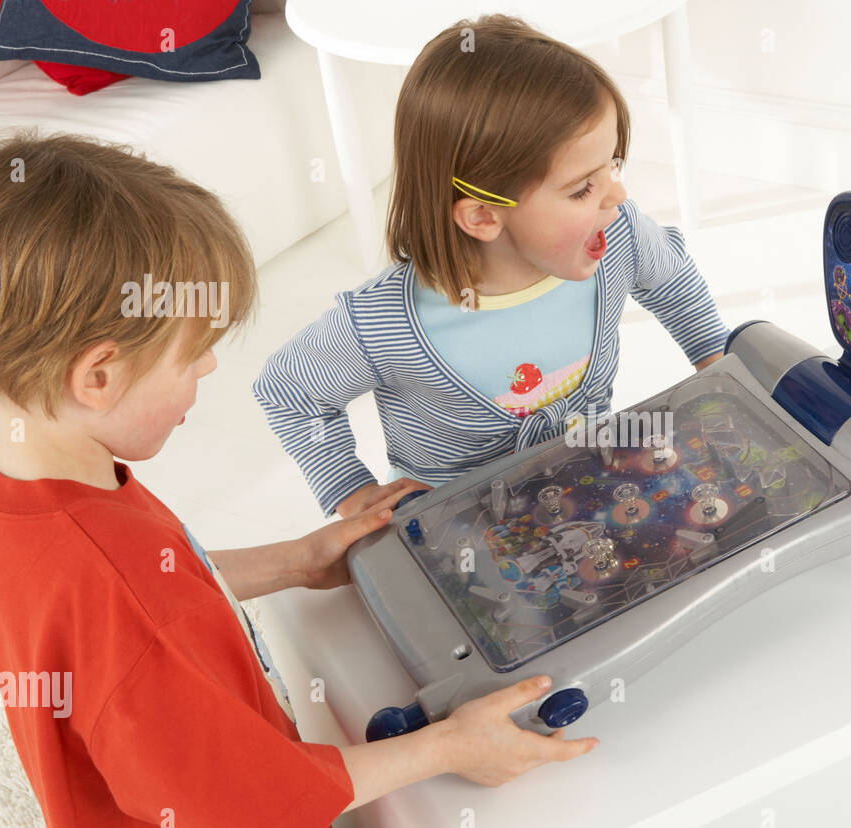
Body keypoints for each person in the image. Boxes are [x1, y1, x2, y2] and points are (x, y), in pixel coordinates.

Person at [0, 132, 597, 828]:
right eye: (193, 350)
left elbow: (143, 589)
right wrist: (450, 747)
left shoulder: (2, 469)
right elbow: (248, 794)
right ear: (98, 377)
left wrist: (295, 561)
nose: (206, 365)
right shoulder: (107, 577)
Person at [253, 13, 729, 519]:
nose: (617, 195)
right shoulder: (384, 323)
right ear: (483, 215)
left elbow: (671, 278)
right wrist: (349, 490)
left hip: (589, 499)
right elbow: (288, 389)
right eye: (582, 188)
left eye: (613, 165)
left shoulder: (617, 235)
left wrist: (717, 364)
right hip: (457, 538)